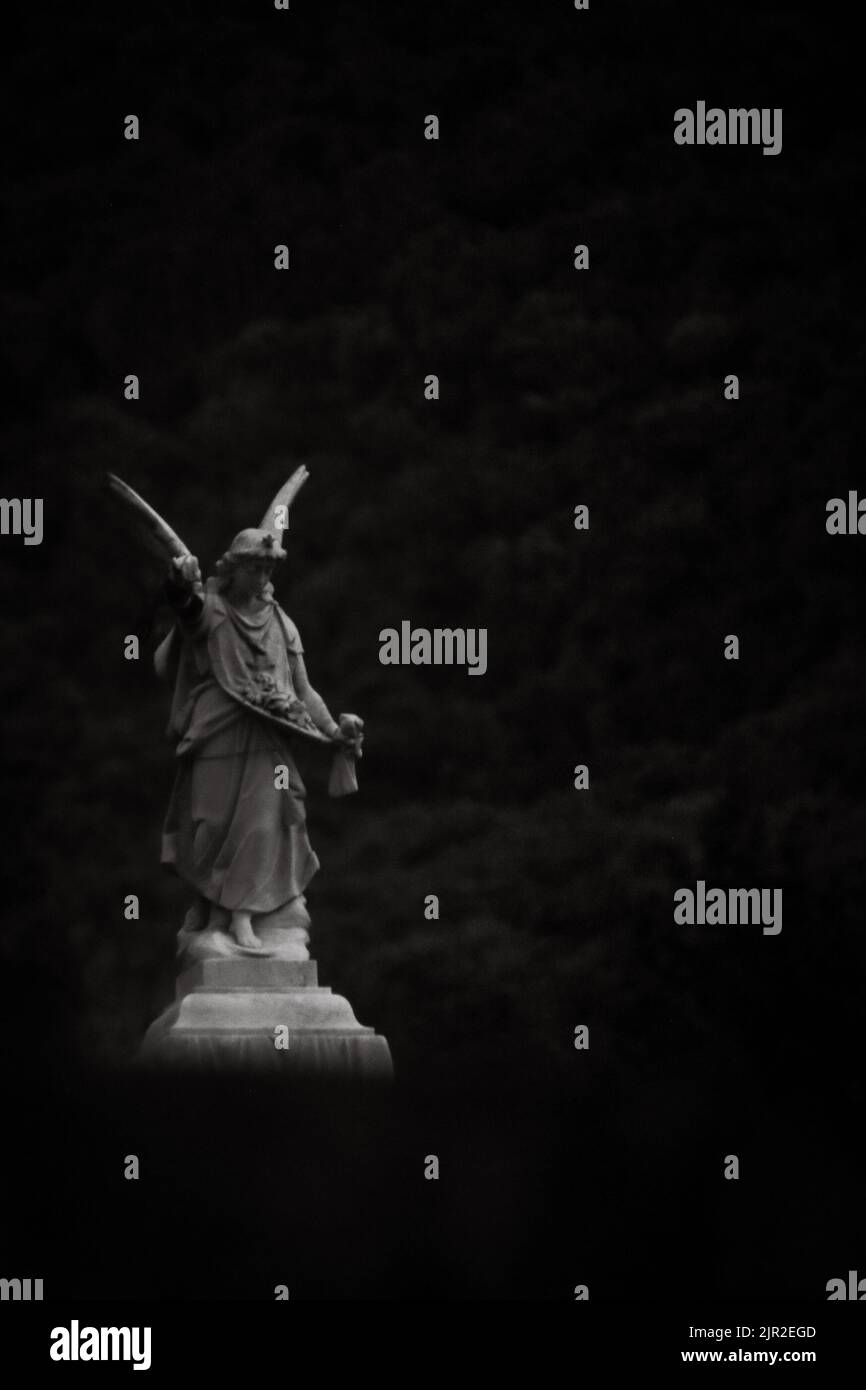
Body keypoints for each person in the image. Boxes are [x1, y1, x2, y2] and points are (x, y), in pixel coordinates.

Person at [156, 527, 361, 956]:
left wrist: (332, 731)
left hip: (268, 742)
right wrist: (178, 584)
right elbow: (187, 611)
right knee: (210, 826)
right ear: (233, 569)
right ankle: (213, 911)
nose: (262, 575)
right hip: (217, 731)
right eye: (255, 567)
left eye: (267, 568)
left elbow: (303, 691)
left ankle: (245, 917)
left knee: (263, 823)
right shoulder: (211, 609)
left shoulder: (281, 623)